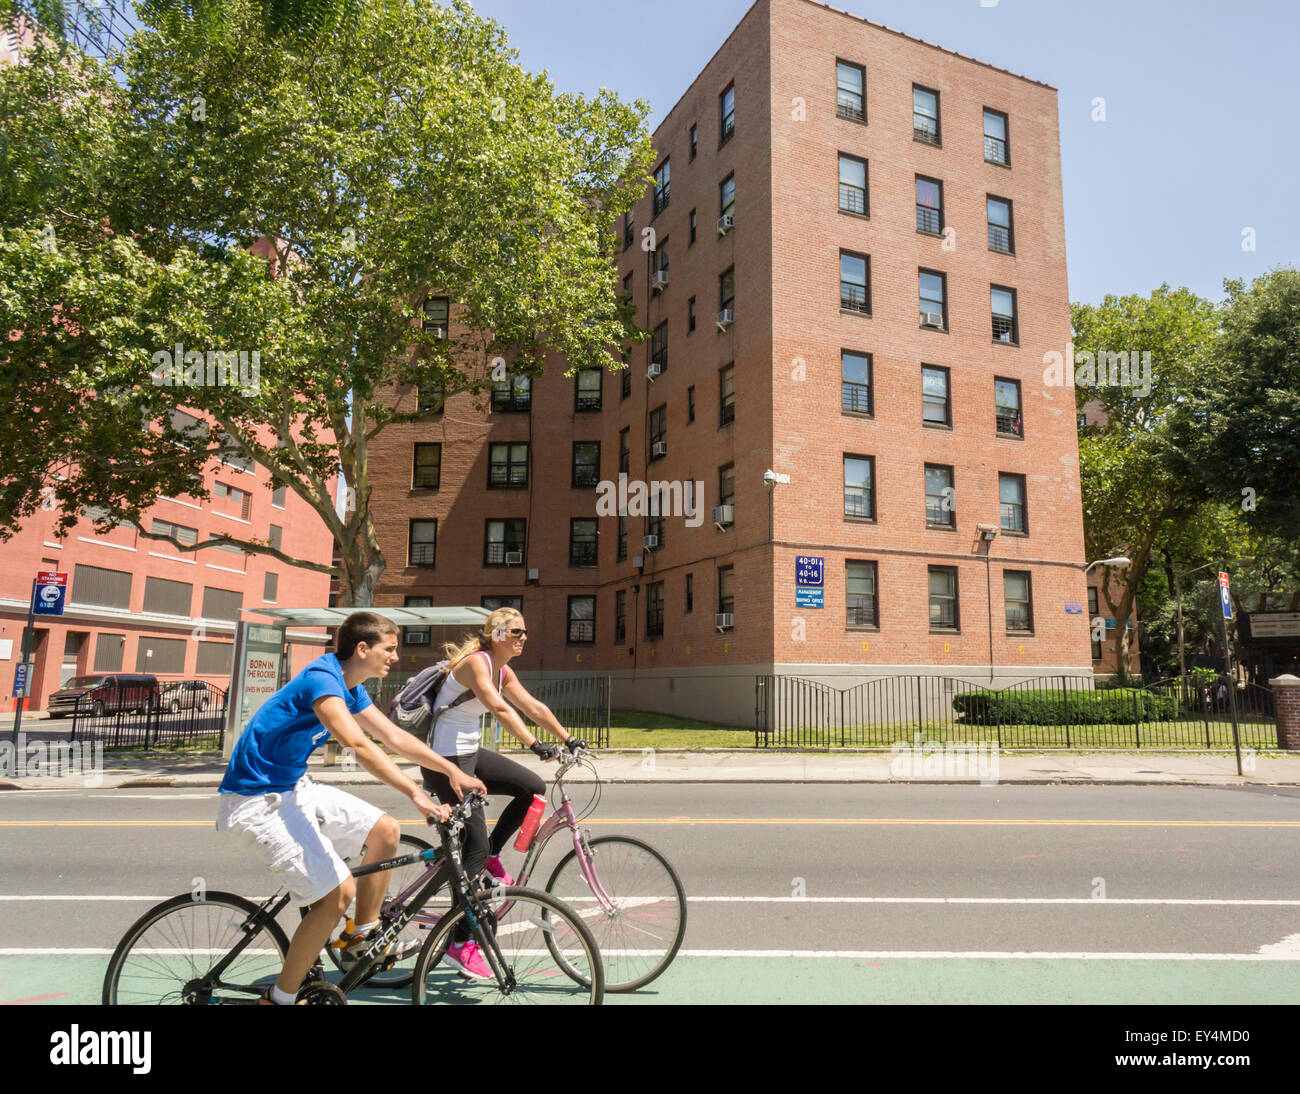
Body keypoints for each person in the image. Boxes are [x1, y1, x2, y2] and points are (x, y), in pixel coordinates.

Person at [216, 611, 486, 1005]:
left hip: (293, 787)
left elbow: (391, 735)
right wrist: (418, 795)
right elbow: (358, 746)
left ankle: (359, 936)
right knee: (335, 894)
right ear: (362, 648)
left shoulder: (349, 684)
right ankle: (278, 999)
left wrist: (449, 770)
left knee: (385, 831)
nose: (395, 657)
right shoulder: (322, 680)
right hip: (256, 799)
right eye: (389, 649)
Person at [421, 606, 588, 979]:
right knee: (472, 847)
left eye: (524, 632)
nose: (523, 638)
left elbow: (532, 706)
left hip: (468, 755)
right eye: (516, 632)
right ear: (496, 635)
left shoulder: (503, 670)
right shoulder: (477, 664)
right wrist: (534, 744)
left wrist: (567, 738)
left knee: (531, 788)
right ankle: (460, 945)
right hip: (444, 764)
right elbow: (498, 707)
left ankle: (491, 856)